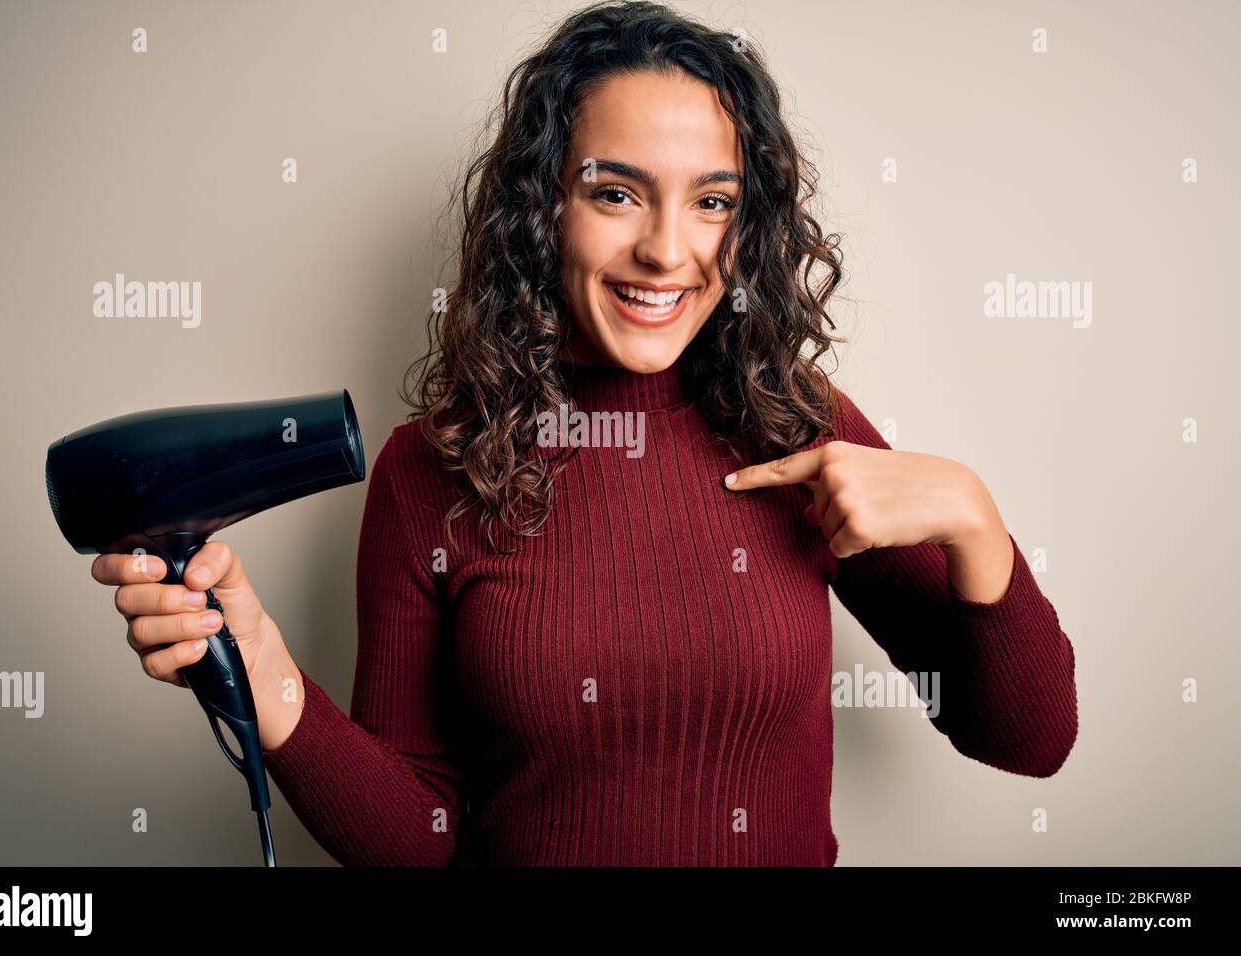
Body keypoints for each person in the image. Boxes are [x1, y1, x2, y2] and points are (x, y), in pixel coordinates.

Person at [91, 0, 1077, 866]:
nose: (666, 247)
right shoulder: (426, 474)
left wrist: (972, 520)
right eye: (615, 192)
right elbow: (421, 839)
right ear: (542, 210)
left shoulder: (796, 428)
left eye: (712, 202)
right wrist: (264, 671)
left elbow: (1026, 739)